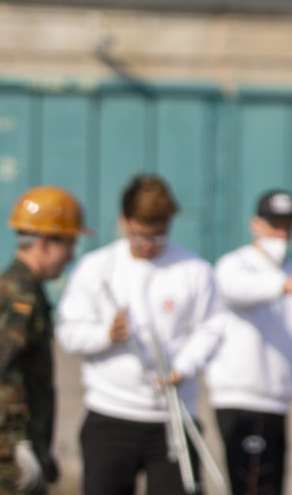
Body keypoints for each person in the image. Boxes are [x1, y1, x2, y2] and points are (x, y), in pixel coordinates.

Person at [57, 174, 225, 495]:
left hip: (172, 417)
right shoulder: (97, 268)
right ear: (124, 223)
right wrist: (106, 334)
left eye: (158, 236)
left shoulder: (194, 270)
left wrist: (184, 367)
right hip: (110, 414)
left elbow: (212, 328)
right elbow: (68, 333)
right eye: (140, 236)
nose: (148, 245)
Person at [206, 188, 292, 495]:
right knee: (250, 485)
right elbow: (236, 289)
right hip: (238, 398)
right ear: (256, 225)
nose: (282, 232)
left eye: (287, 225)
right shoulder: (234, 265)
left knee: (270, 486)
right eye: (275, 224)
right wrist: (282, 285)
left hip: (276, 401)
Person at [0, 185, 90, 494]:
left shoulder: (24, 289)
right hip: (5, 445)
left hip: (14, 439)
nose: (71, 256)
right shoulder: (17, 295)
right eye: (69, 244)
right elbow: (2, 372)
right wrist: (15, 443)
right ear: (46, 243)